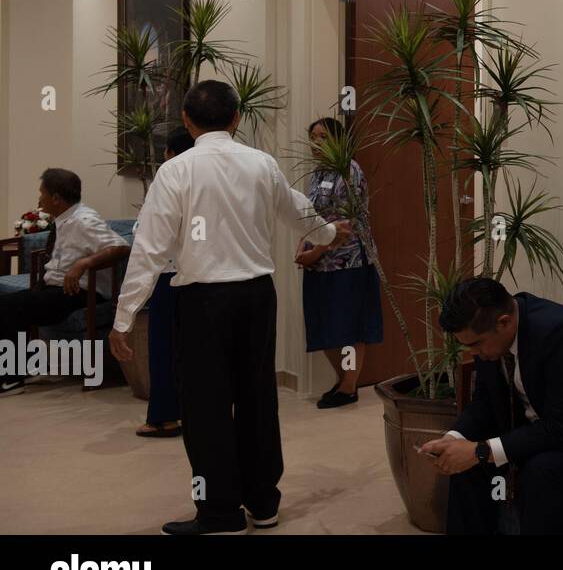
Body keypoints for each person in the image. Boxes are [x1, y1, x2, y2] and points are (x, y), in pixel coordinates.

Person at [109, 80, 353, 535]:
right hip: (257, 296)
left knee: (205, 409)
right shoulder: (261, 163)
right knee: (258, 398)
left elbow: (149, 250)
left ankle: (219, 512)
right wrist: (327, 234)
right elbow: (297, 211)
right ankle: (263, 504)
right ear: (237, 117)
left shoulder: (177, 171)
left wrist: (123, 319)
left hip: (202, 301)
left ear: (186, 119)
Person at [420, 277, 563, 535]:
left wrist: (480, 450)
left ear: (504, 322)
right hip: (546, 426)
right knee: (467, 467)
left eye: (475, 344)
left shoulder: (560, 332)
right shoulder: (490, 338)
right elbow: (485, 403)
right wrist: (454, 439)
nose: (473, 353)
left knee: (540, 470)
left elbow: (560, 428)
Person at [0, 169, 130, 396]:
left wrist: (83, 264)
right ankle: (27, 368)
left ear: (56, 198)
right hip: (57, 287)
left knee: (9, 306)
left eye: (42, 193)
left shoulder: (84, 220)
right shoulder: (66, 219)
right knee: (11, 302)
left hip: (79, 291)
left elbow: (119, 247)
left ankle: (11, 379)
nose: (39, 199)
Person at [296, 117, 382, 408]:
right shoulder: (319, 173)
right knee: (325, 325)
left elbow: (347, 224)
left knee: (348, 326)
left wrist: (315, 253)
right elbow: (312, 215)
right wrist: (302, 248)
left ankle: (348, 387)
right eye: (313, 137)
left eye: (323, 137)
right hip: (319, 263)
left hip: (349, 262)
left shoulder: (349, 171)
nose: (316, 143)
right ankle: (343, 380)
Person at [135, 127, 196, 437]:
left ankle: (164, 417)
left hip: (170, 278)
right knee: (198, 352)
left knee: (163, 350)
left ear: (170, 153)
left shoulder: (168, 178)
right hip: (205, 280)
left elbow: (147, 233)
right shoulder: (208, 178)